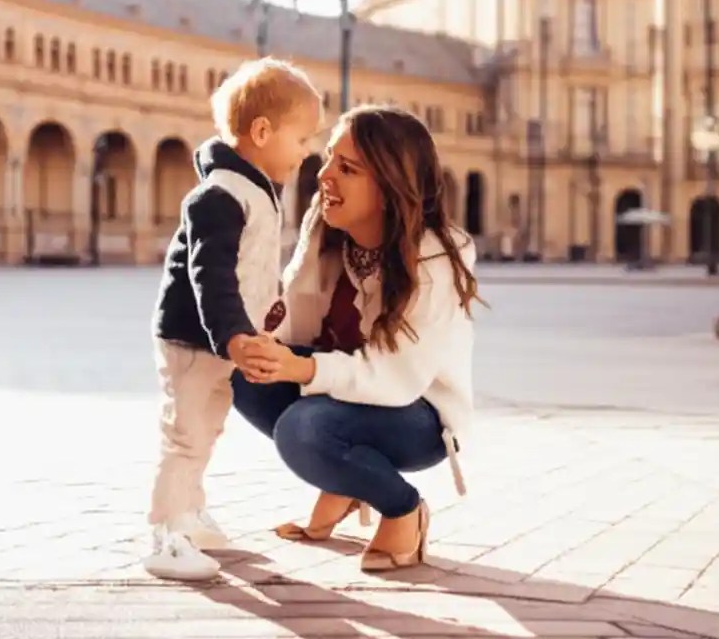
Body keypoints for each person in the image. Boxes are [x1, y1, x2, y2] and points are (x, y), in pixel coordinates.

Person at [233, 106, 481, 572]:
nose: (324, 175)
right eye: (329, 159)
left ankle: (403, 508)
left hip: (419, 415)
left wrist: (301, 368)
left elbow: (396, 378)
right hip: (346, 394)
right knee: (246, 375)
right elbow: (296, 320)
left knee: (304, 430)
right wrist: (259, 343)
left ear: (389, 187)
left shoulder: (435, 257)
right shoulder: (326, 227)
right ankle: (348, 480)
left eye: (347, 169)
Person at [142, 58, 323, 581]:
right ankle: (165, 533)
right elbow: (211, 276)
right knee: (185, 433)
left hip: (222, 341)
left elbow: (252, 269)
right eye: (301, 138)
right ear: (263, 132)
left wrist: (265, 315)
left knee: (208, 424)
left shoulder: (256, 188)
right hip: (195, 336)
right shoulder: (218, 195)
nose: (306, 150)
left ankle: (190, 512)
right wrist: (234, 334)